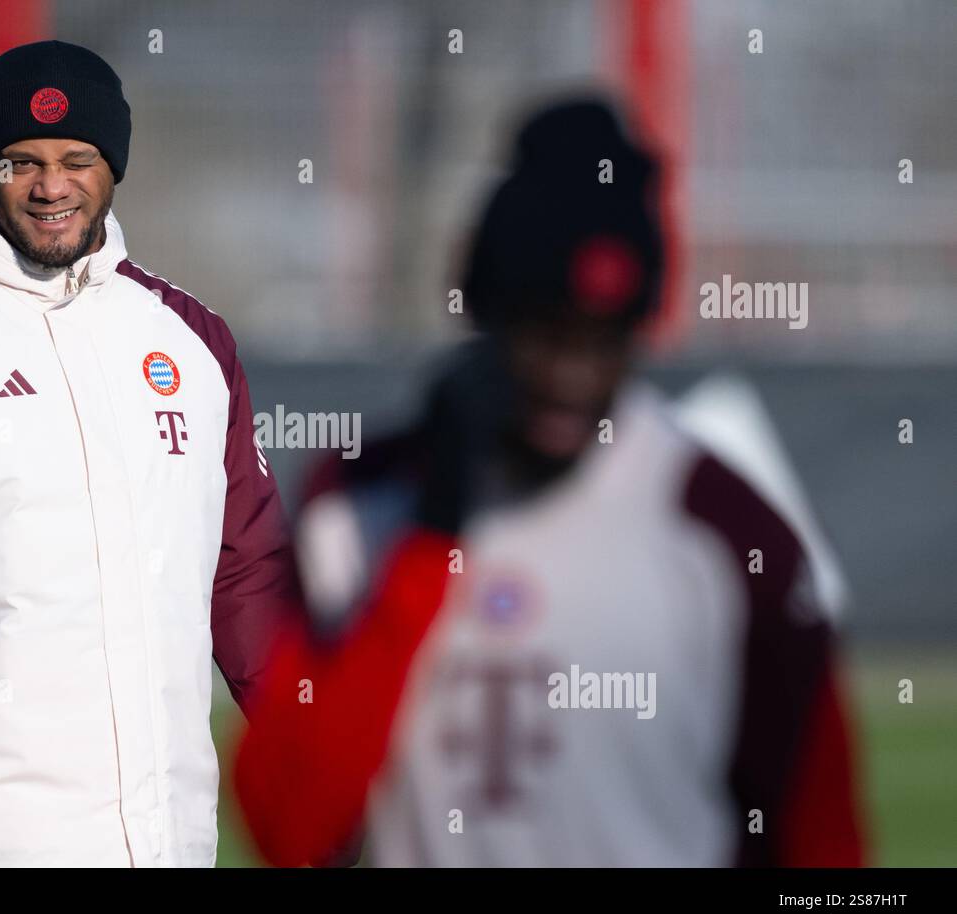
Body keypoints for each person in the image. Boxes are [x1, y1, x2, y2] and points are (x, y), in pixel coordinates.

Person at [234, 98, 865, 867]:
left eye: (605, 342)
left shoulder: (728, 529)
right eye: (546, 332)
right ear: (486, 312)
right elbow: (286, 825)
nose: (573, 376)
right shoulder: (360, 503)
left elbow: (823, 845)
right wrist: (431, 544)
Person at [0, 40, 294, 868]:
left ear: (116, 165)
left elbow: (248, 576)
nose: (51, 186)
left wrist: (314, 757)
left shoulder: (194, 339)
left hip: (176, 843)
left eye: (78, 159)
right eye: (20, 161)